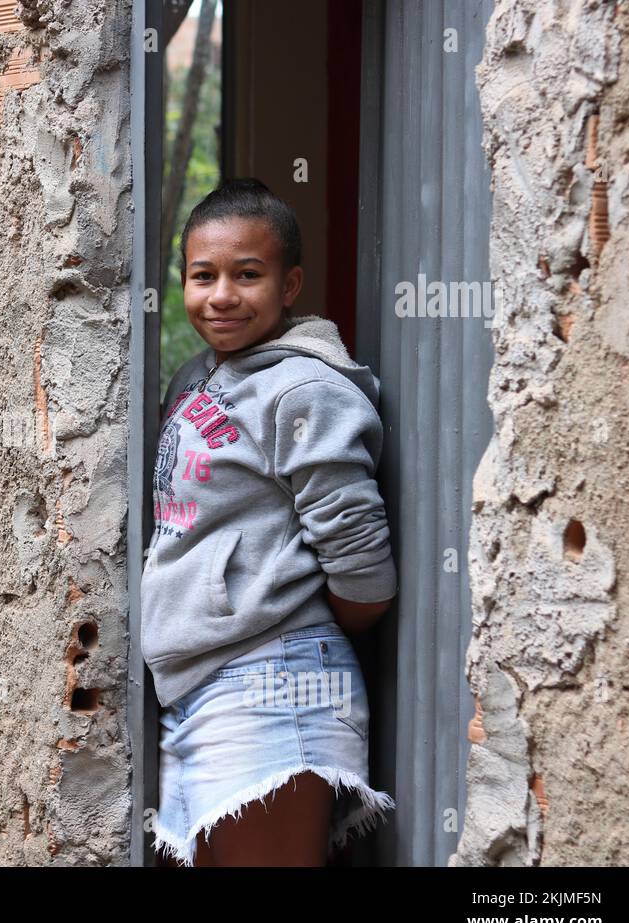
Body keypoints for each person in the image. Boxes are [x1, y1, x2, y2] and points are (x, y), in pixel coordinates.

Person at [144, 177, 398, 867]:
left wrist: (285, 619)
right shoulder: (196, 378)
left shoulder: (305, 388)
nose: (221, 294)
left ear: (290, 287)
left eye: (247, 274)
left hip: (274, 683)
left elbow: (359, 559)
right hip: (203, 684)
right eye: (203, 275)